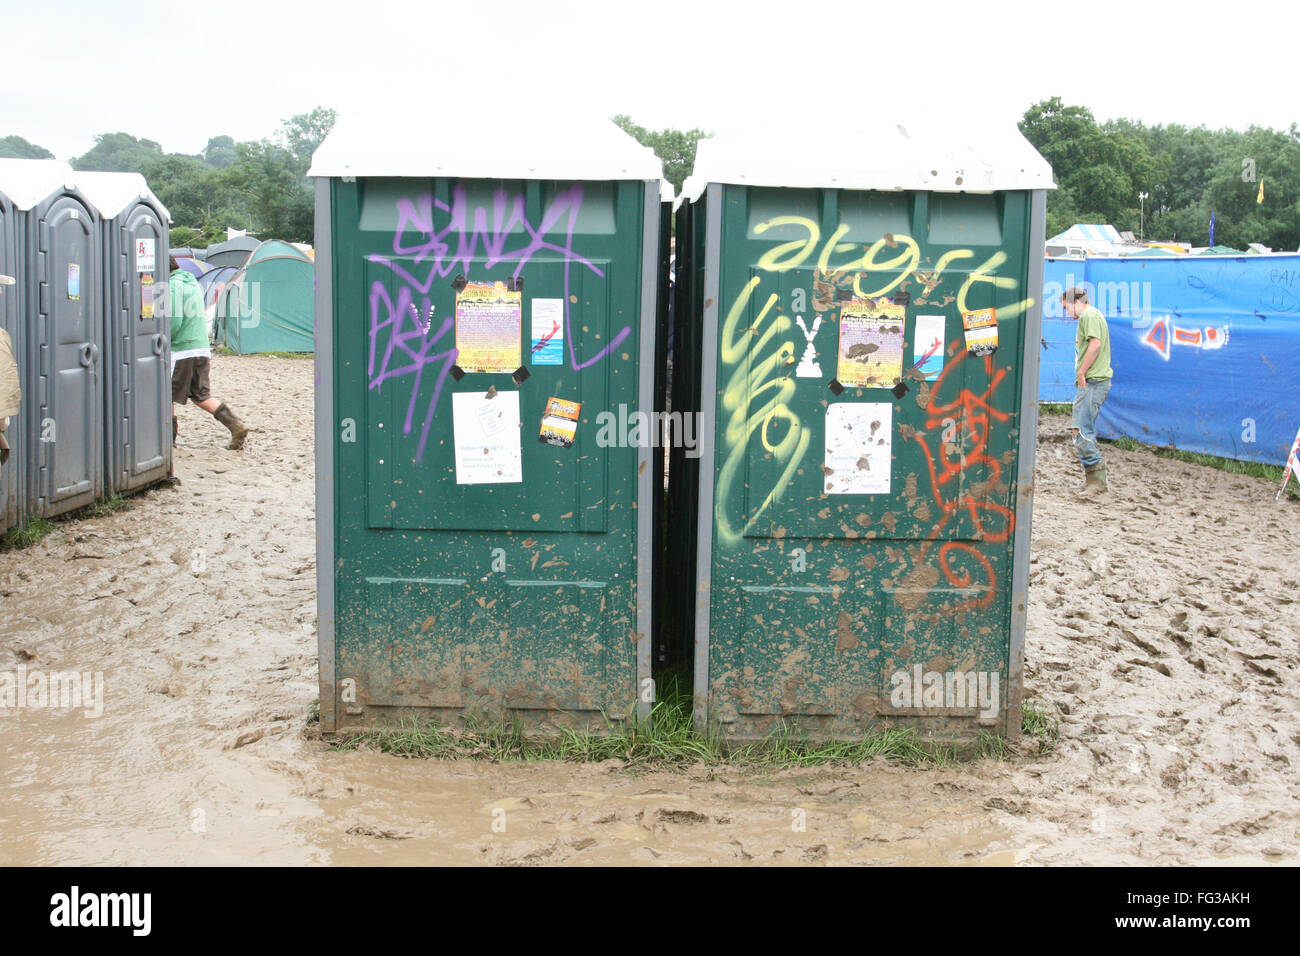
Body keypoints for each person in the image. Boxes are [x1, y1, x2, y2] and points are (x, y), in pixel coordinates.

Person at [169, 256, 248, 450]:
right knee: (201, 395)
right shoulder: (191, 282)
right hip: (201, 348)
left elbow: (173, 322)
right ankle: (236, 425)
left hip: (182, 350)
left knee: (167, 395)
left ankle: (167, 441)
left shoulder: (172, 286)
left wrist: (162, 338)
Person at [1062, 286, 1112, 496]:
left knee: (1082, 431)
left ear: (1076, 302)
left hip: (1092, 381)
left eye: (1066, 307)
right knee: (1081, 429)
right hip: (1094, 380)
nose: (1067, 312)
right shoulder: (1094, 314)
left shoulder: (1088, 316)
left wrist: (1082, 372)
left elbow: (1095, 345)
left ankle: (1097, 482)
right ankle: (1093, 479)